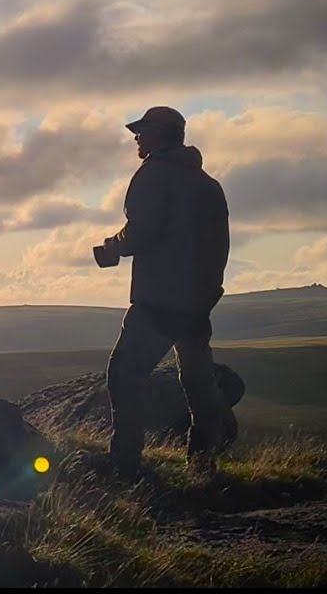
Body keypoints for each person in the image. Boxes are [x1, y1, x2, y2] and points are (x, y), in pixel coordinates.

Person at [95, 106, 232, 478]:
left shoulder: (154, 174)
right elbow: (219, 246)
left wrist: (112, 247)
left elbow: (140, 232)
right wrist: (209, 291)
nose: (136, 137)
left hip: (159, 300)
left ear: (160, 134)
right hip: (198, 303)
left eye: (142, 131)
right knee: (198, 382)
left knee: (124, 374)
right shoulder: (208, 184)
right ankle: (203, 461)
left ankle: (125, 463)